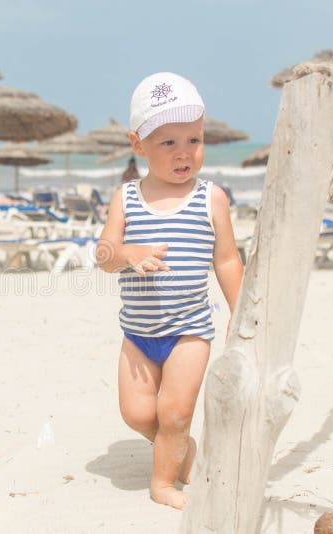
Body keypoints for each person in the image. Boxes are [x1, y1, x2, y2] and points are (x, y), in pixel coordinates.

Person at [95, 72, 243, 510]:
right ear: (138, 144)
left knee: (174, 413)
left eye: (194, 140)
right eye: (168, 143)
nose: (185, 153)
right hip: (138, 334)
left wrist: (242, 310)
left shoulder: (210, 197)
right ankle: (181, 449)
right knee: (138, 414)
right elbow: (103, 256)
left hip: (189, 330)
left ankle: (163, 484)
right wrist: (127, 252)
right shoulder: (125, 197)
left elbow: (227, 259)